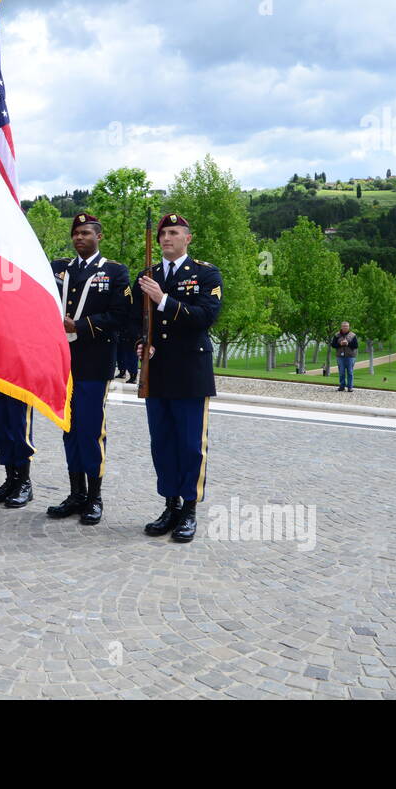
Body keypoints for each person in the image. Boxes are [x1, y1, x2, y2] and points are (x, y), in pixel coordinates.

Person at [131, 213, 222, 544]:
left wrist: (163, 300)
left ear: (188, 238)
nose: (166, 238)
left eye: (173, 233)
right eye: (162, 234)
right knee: (163, 443)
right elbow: (132, 320)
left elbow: (205, 317)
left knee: (189, 444)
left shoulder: (204, 273)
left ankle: (189, 510)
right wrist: (140, 341)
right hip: (157, 373)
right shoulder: (147, 275)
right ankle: (169, 505)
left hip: (190, 372)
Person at [45, 213, 133, 525]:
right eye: (76, 233)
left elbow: (121, 315)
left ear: (99, 236)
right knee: (69, 428)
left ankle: (94, 497)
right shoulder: (58, 269)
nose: (79, 237)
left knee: (91, 429)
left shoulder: (114, 271)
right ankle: (76, 494)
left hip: (94, 361)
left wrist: (81, 326)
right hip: (62, 361)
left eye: (86, 233)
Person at [329, 321, 359, 392]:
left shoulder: (353, 335)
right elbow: (333, 345)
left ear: (349, 327)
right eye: (344, 326)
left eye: (347, 326)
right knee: (341, 372)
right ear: (341, 327)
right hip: (340, 356)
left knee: (350, 372)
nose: (345, 327)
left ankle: (350, 387)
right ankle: (342, 386)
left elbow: (356, 346)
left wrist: (348, 343)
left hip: (350, 357)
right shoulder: (337, 335)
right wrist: (340, 344)